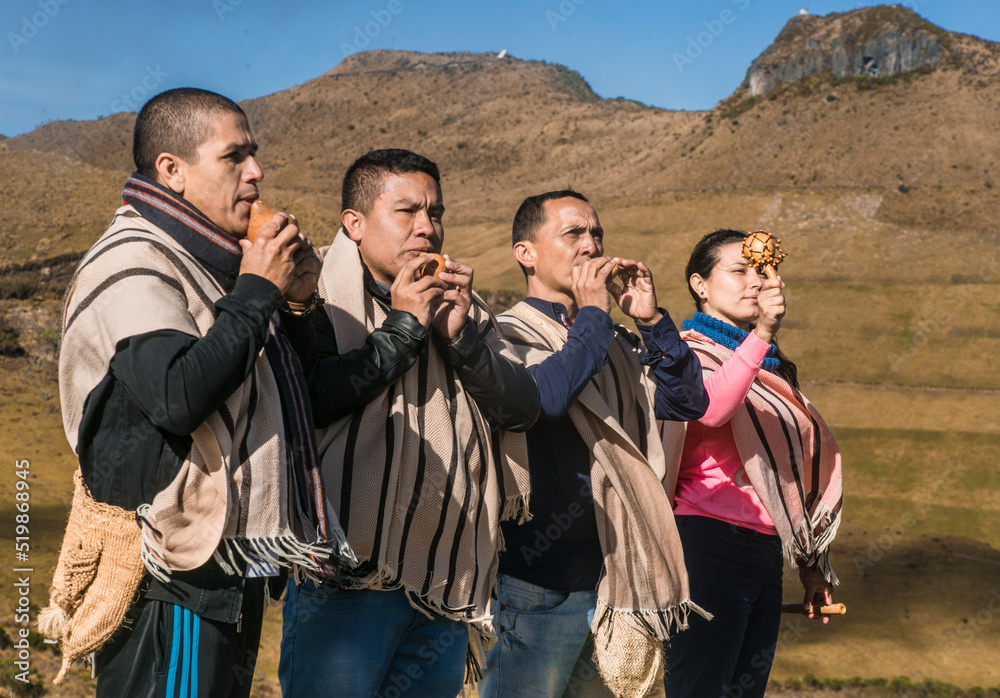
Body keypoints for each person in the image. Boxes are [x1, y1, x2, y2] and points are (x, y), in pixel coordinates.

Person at [52, 87, 351, 697]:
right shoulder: (134, 261)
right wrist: (257, 290)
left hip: (221, 569)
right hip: (176, 578)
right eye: (234, 156)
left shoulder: (210, 265)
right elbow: (178, 396)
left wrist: (293, 300)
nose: (257, 172)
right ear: (173, 171)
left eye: (255, 154)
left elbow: (300, 399)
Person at [279, 148, 540, 698]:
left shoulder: (465, 307)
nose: (428, 228)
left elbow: (520, 409)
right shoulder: (313, 295)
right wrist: (402, 327)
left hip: (446, 577)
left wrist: (460, 336)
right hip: (346, 579)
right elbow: (309, 402)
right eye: (408, 212)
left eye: (436, 213)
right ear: (354, 223)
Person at [480, 190, 711, 698]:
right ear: (526, 253)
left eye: (597, 233)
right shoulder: (505, 336)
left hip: (617, 577)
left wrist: (649, 321)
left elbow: (689, 401)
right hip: (537, 581)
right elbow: (549, 398)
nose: (591, 246)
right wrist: (593, 315)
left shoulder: (613, 339)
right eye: (573, 234)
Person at [660, 229, 843, 698]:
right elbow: (712, 407)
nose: (755, 283)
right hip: (704, 538)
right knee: (696, 688)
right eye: (739, 271)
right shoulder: (683, 353)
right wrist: (761, 333)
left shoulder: (769, 366)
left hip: (764, 549)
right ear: (700, 285)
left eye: (760, 271)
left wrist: (810, 563)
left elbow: (788, 471)